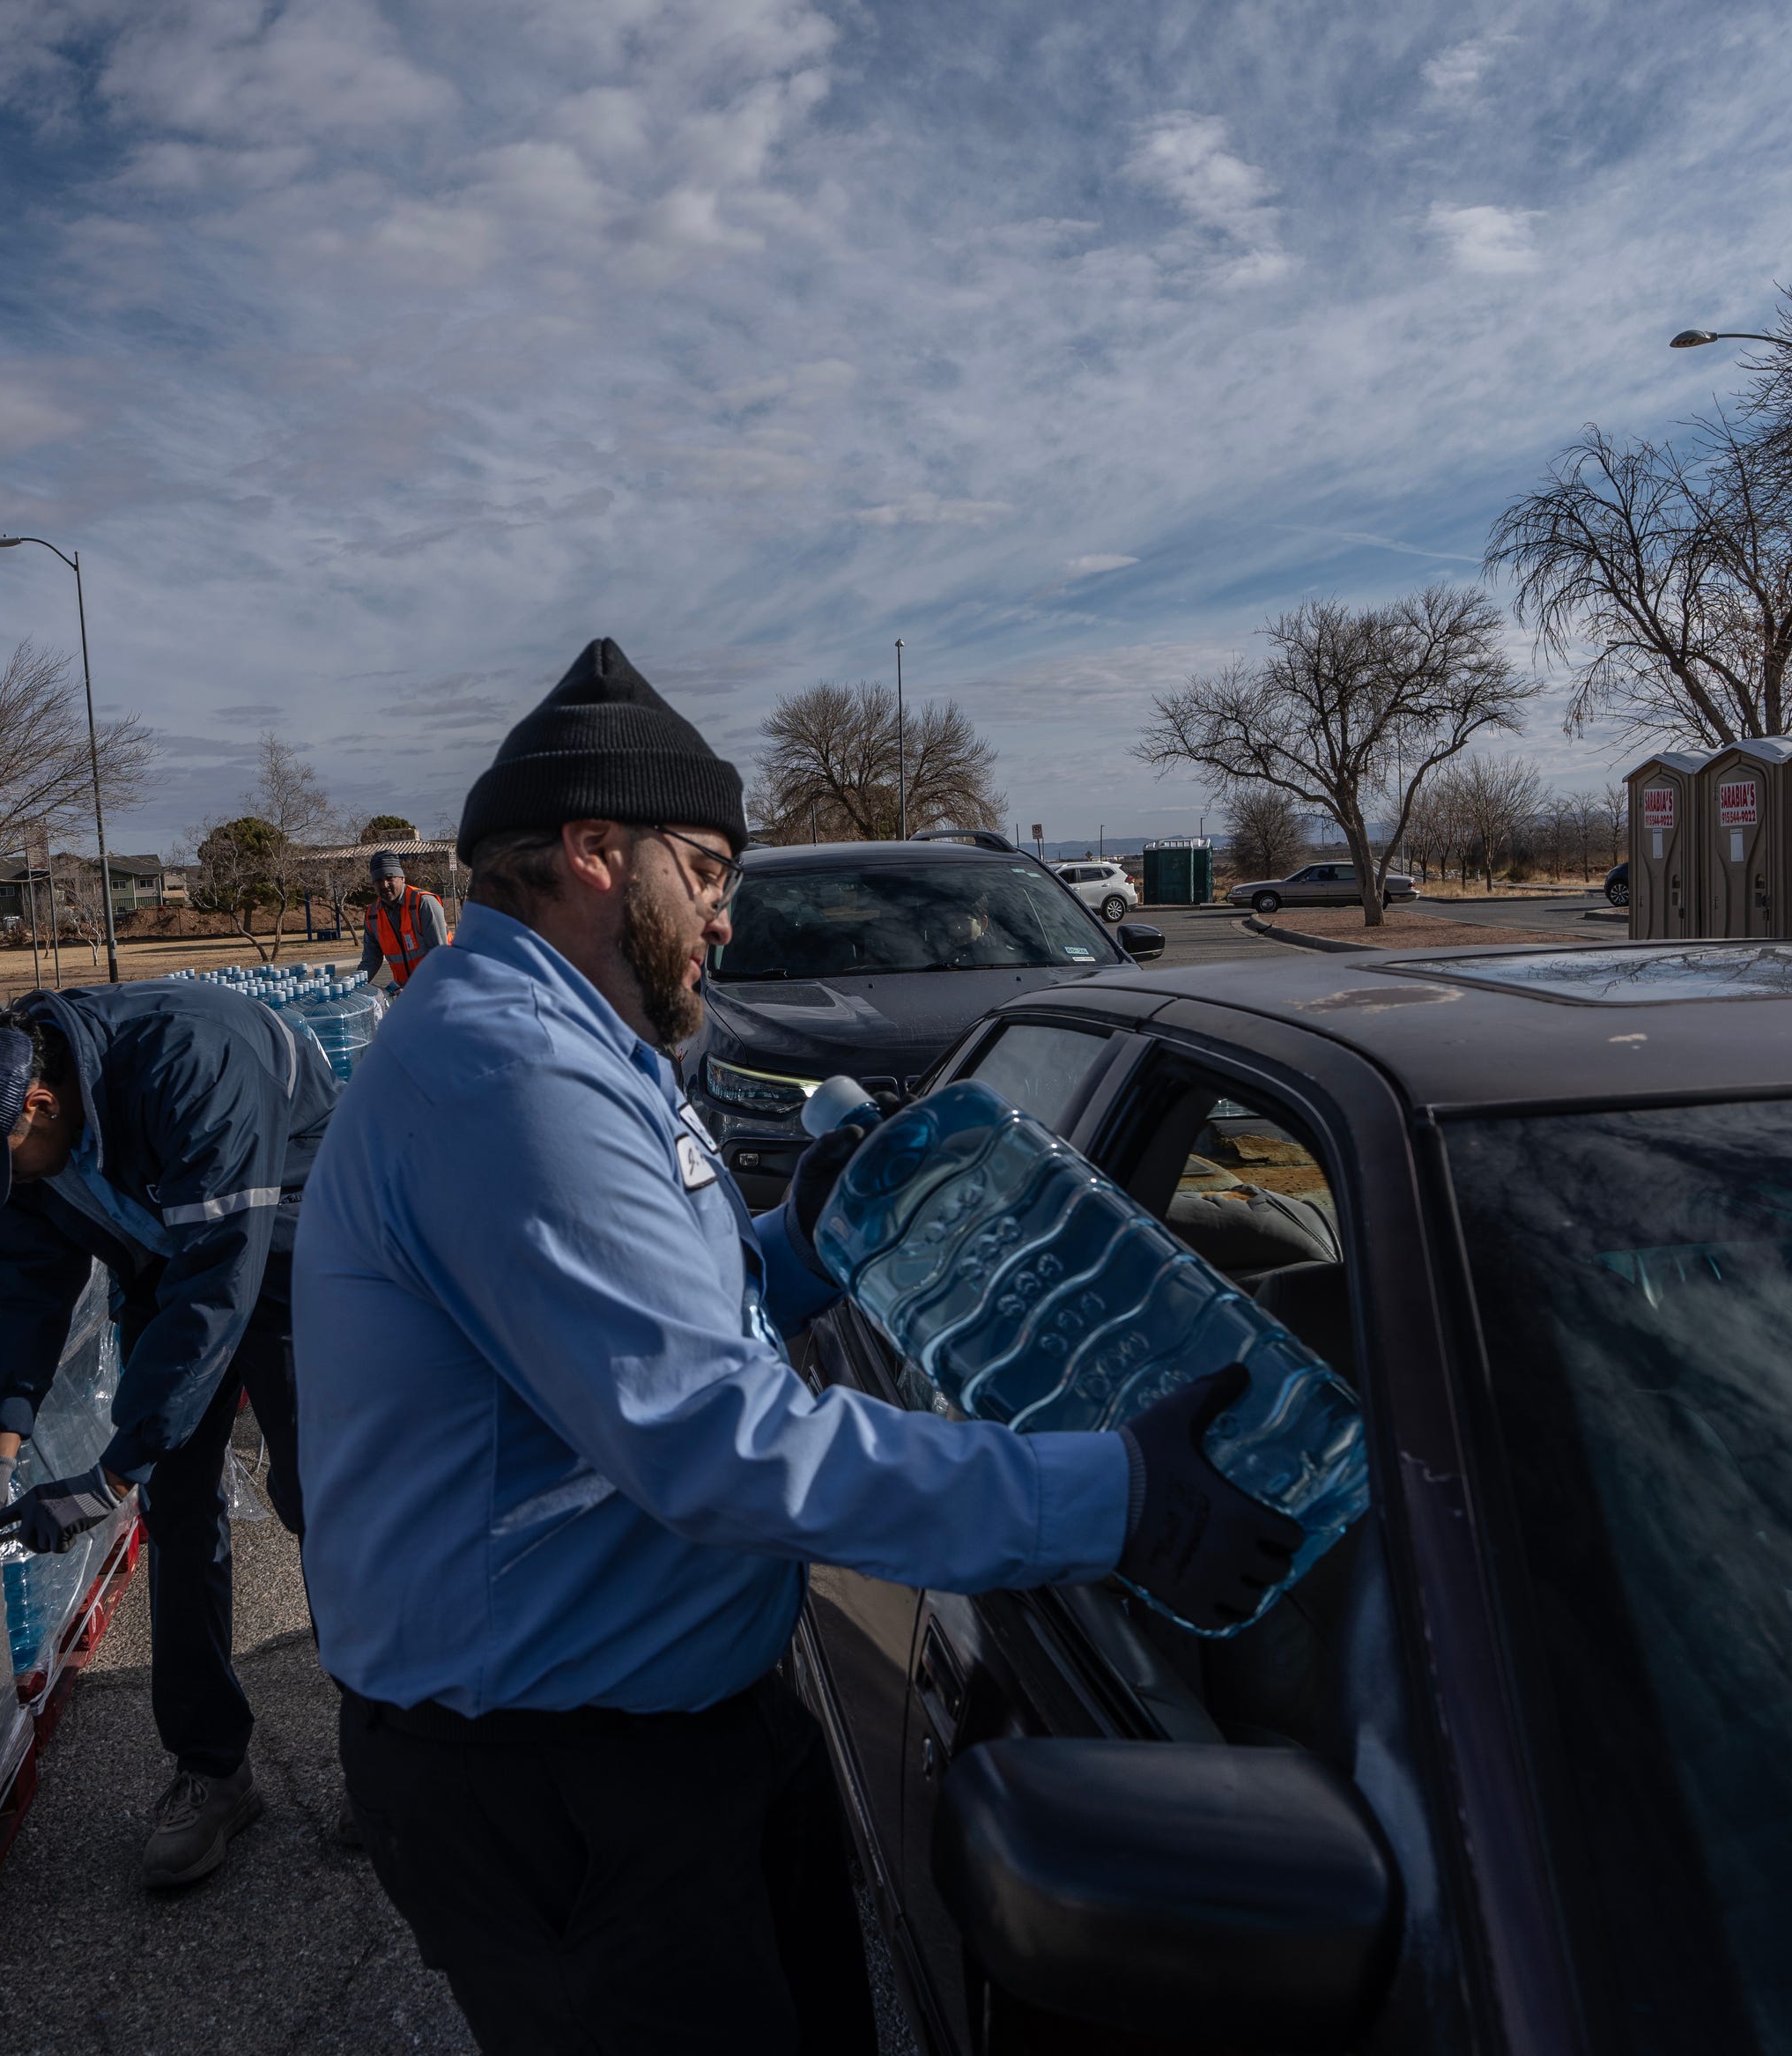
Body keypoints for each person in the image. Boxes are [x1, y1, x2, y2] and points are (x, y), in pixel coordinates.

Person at [293, 638, 1302, 2054]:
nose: (722, 918)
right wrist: (1117, 1497)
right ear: (596, 849)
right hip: (561, 1777)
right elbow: (714, 1441)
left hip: (661, 1738)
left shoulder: (580, 1049)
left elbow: (633, 1348)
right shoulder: (510, 1073)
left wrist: (795, 1252)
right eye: (706, 870)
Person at [0, 980, 337, 1888]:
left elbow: (221, 1284)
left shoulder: (187, 1058)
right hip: (165, 1250)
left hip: (291, 1238)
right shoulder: (17, 1133)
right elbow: (24, 1295)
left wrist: (110, 1475)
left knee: (323, 1496)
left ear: (42, 1102)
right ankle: (211, 1768)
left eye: (10, 1156)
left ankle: (390, 1742)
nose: (12, 1178)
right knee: (179, 1506)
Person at [358, 847, 452, 990]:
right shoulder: (372, 914)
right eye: (378, 880)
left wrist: (415, 989)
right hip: (406, 993)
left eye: (390, 878)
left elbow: (440, 957)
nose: (384, 885)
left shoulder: (423, 903)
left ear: (402, 878)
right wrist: (351, 986)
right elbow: (370, 960)